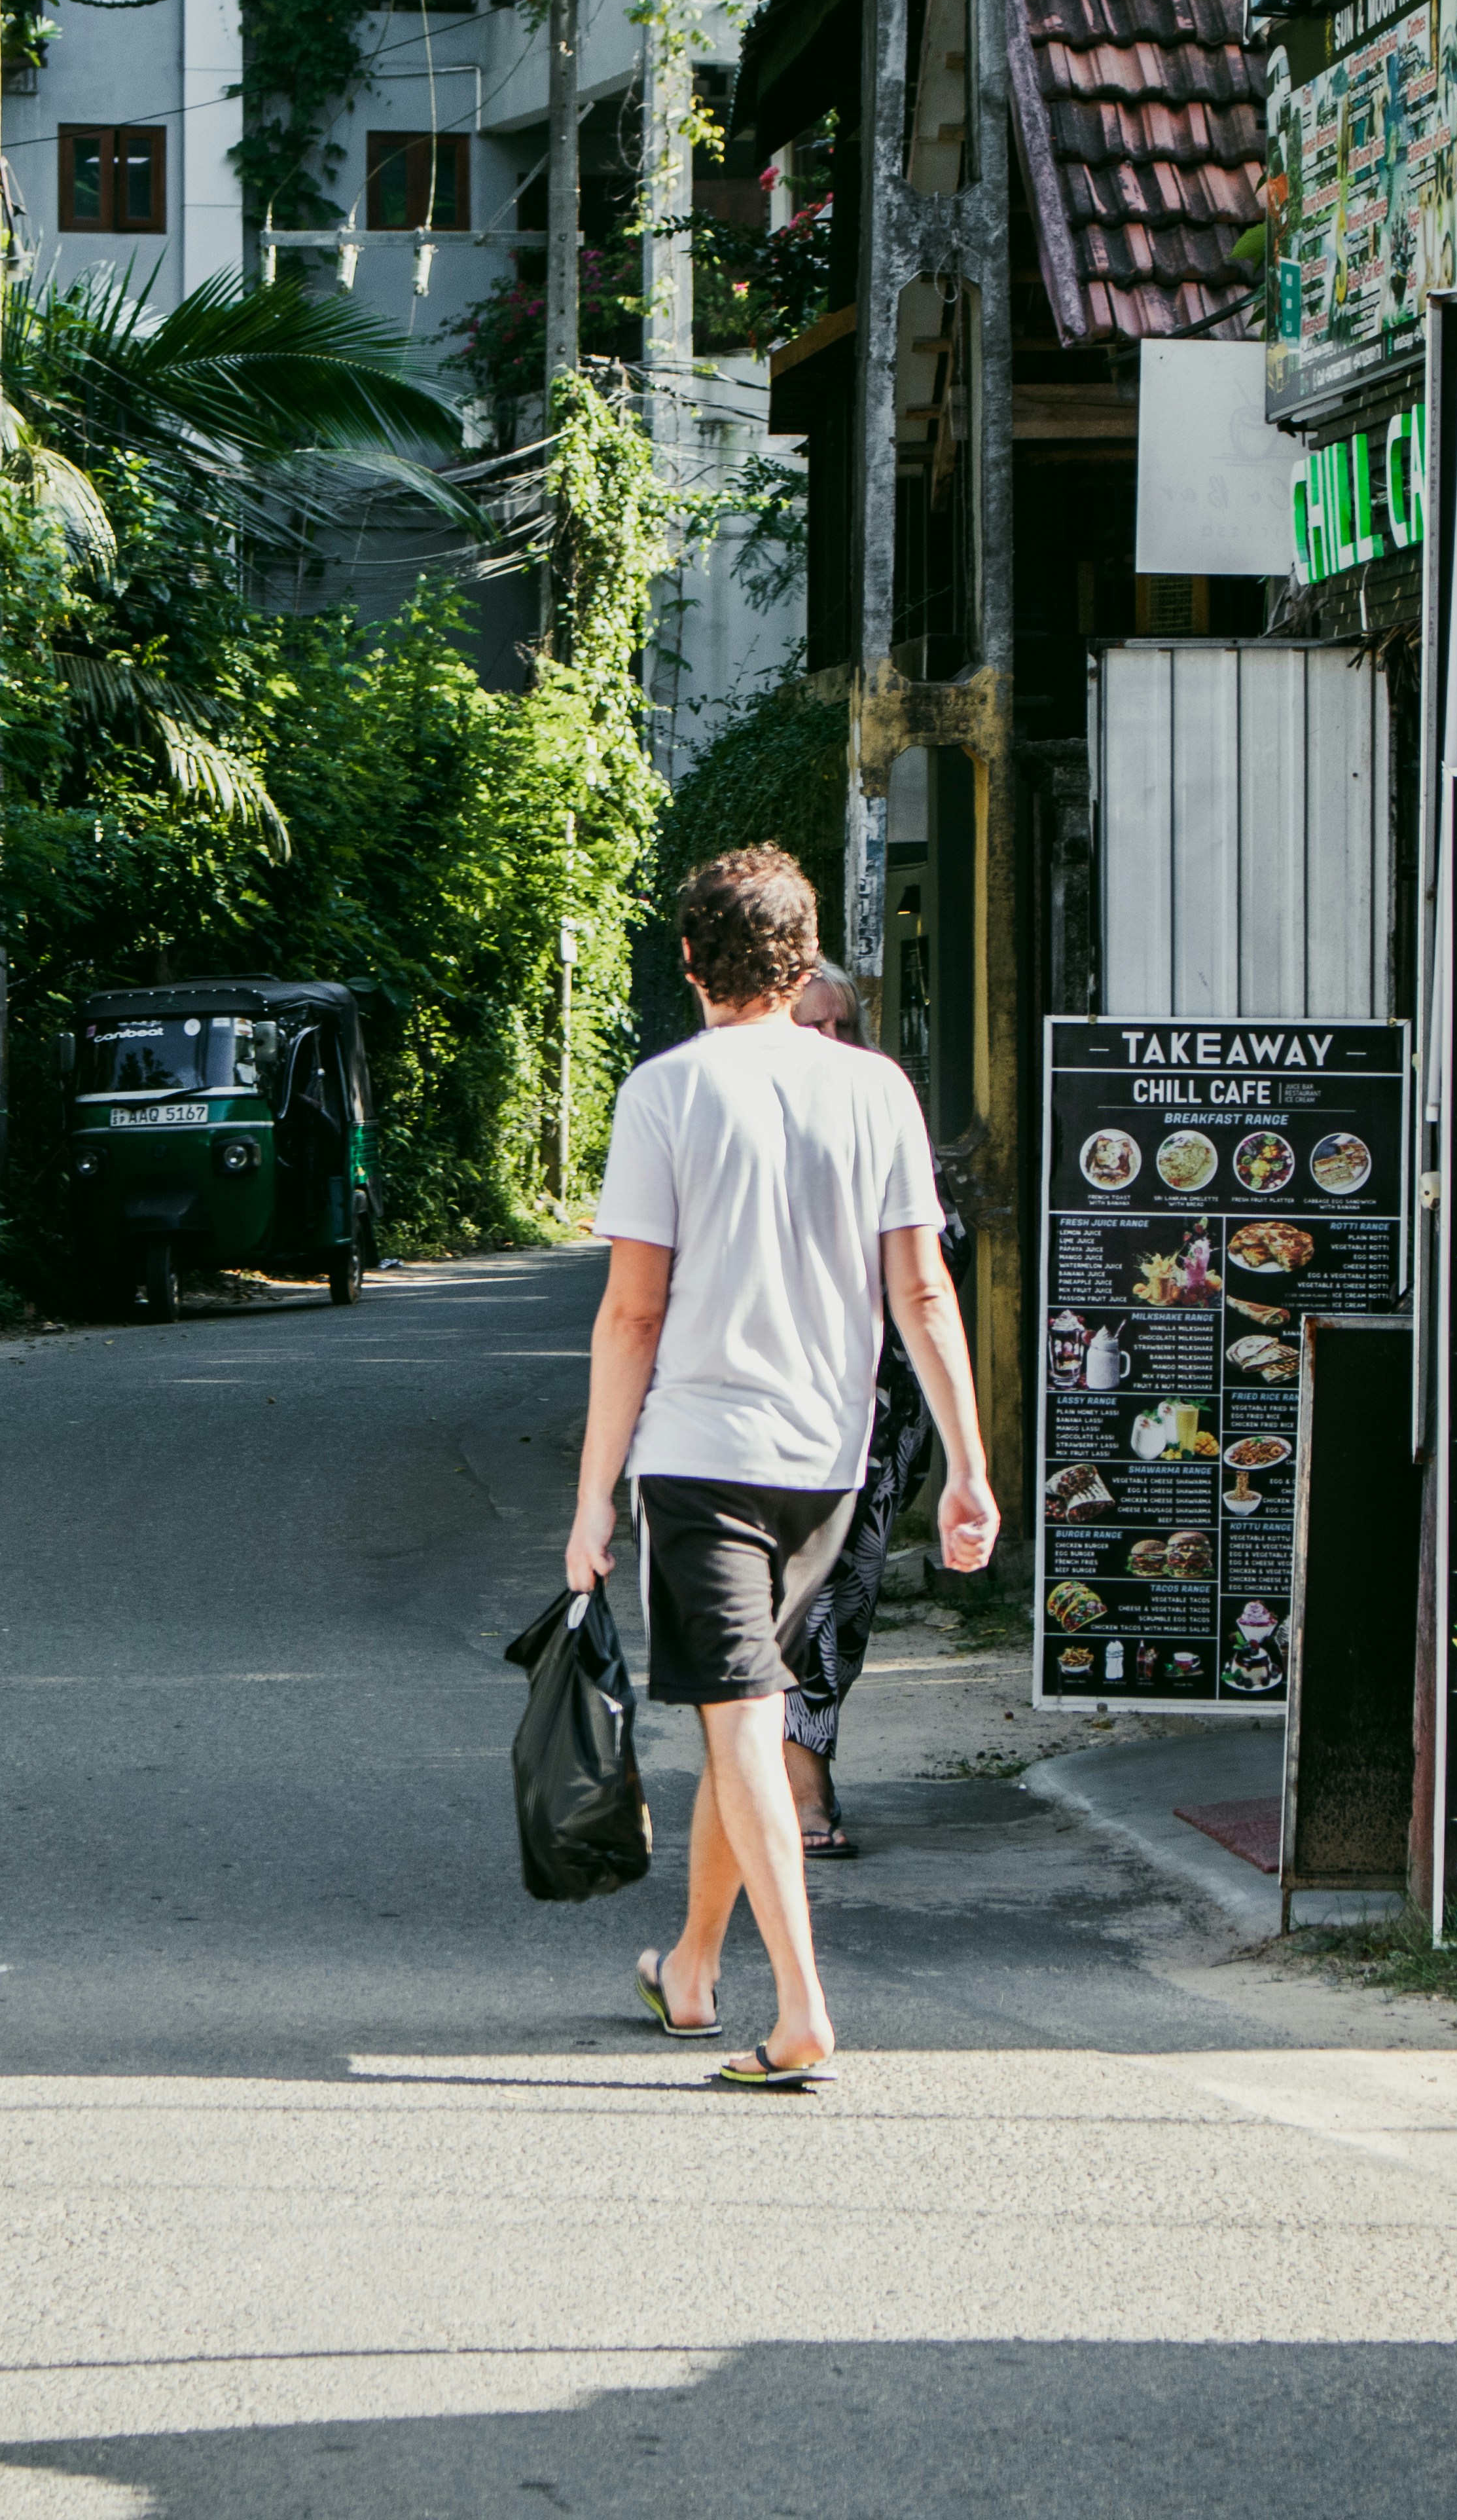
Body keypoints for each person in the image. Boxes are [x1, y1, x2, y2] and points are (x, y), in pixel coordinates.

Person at [568, 849, 1000, 2089]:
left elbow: (631, 1317)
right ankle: (694, 1967)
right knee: (742, 1713)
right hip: (831, 1462)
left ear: (692, 961)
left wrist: (594, 1497)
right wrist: (966, 1466)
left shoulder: (665, 1091)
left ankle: (804, 2007)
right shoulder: (878, 1092)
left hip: (705, 1459)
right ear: (803, 961)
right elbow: (921, 1289)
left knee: (744, 1716)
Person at [780, 961, 946, 1865]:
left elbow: (930, 1276)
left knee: (845, 1604)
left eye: (846, 1027)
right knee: (797, 1597)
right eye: (815, 1028)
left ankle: (798, 1754)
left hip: (880, 1420)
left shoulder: (887, 1115)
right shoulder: (732, 1122)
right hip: (770, 1416)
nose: (834, 1045)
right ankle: (802, 1776)